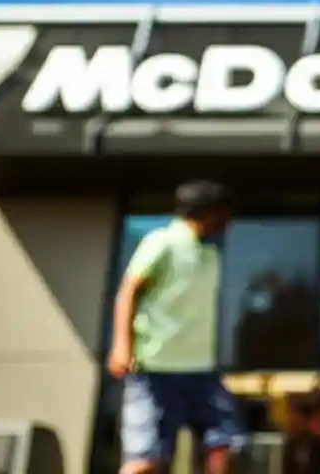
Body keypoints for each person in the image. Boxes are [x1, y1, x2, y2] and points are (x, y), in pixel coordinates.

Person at [108, 180, 247, 474]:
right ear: (209, 213)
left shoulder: (210, 253)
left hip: (200, 370)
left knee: (226, 444)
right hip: (155, 369)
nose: (229, 222)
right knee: (147, 460)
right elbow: (128, 290)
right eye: (225, 214)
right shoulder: (162, 242)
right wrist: (122, 345)